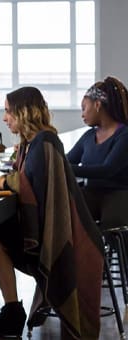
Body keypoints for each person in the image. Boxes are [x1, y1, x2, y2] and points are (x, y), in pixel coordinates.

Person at [0, 87, 103, 338]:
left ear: (24, 112)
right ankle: (10, 310)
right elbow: (27, 179)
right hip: (41, 230)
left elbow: (31, 181)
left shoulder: (45, 140)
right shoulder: (32, 143)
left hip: (57, 239)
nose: (5, 118)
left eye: (9, 112)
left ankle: (7, 312)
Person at [67, 76, 128, 229]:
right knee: (64, 212)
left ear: (97, 105)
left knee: (112, 221)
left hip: (118, 193)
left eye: (84, 108)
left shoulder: (124, 135)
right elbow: (68, 160)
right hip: (92, 193)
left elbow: (107, 170)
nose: (82, 115)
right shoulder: (89, 136)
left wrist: (64, 167)